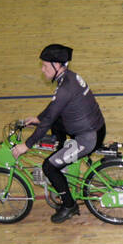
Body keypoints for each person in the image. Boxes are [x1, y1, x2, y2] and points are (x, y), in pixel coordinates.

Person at [12, 45, 106, 223]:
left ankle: (69, 205)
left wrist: (27, 144)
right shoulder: (69, 77)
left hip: (88, 137)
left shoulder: (64, 89)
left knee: (49, 166)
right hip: (93, 126)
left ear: (57, 65)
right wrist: (39, 118)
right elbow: (54, 108)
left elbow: (51, 116)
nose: (43, 69)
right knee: (54, 123)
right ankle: (62, 152)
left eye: (45, 66)